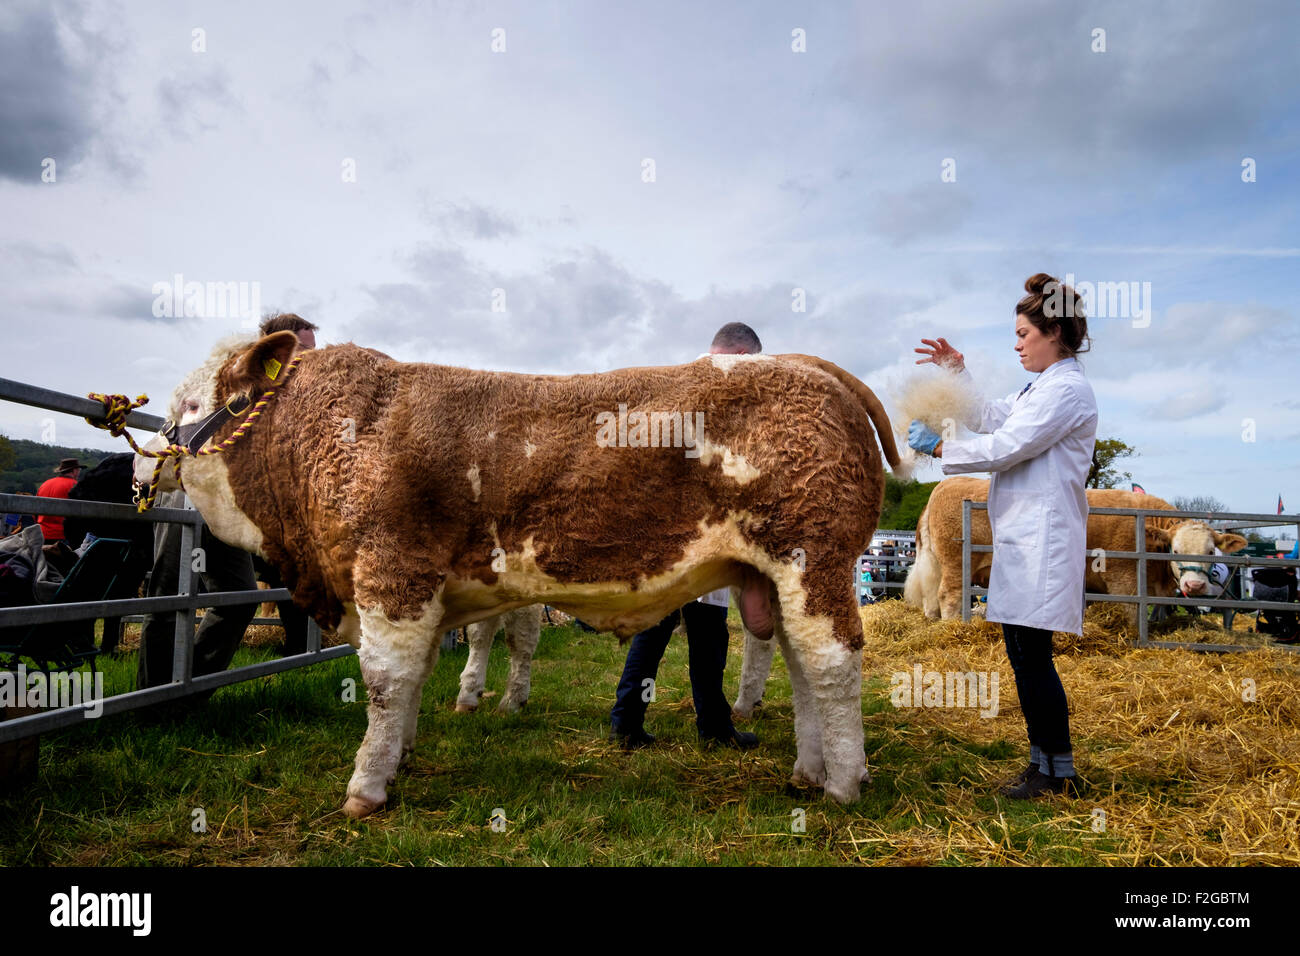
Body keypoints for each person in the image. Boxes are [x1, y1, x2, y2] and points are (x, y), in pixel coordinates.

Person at [909, 272, 1097, 799]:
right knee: (1022, 651)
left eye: (1022, 334)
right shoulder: (1042, 387)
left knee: (1032, 654)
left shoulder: (1069, 391)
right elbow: (992, 415)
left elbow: (1007, 445)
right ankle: (1043, 764)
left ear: (1053, 331)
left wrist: (942, 449)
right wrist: (957, 372)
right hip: (1022, 540)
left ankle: (1058, 772)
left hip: (1044, 541)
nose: (1016, 345)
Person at [609, 322, 764, 750]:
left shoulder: (672, 382)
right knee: (708, 634)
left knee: (656, 629)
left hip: (661, 533)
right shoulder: (723, 388)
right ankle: (714, 729)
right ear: (745, 357)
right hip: (699, 532)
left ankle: (626, 721)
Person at [252, 312, 320, 655]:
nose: (312, 358)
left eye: (313, 350)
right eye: (303, 349)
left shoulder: (302, 387)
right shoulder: (256, 381)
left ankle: (299, 649)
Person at [36, 458, 82, 575]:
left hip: (42, 535)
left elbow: (34, 511)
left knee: (42, 571)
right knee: (65, 573)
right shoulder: (75, 486)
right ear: (75, 471)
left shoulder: (45, 484)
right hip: (63, 539)